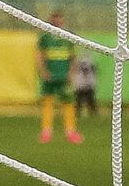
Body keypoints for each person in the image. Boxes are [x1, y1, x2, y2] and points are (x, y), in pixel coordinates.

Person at [35, 10, 83, 144]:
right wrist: (43, 71)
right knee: (48, 102)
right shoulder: (45, 37)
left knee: (68, 103)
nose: (58, 21)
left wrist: (71, 72)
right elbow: (39, 54)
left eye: (60, 19)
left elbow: (73, 56)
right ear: (52, 20)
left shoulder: (68, 36)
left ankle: (70, 131)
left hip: (64, 76)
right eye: (56, 19)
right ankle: (46, 132)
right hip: (50, 75)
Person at [69, 36, 100, 131]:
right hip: (83, 82)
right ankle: (82, 113)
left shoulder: (85, 61)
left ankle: (91, 113)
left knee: (88, 100)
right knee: (81, 100)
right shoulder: (83, 61)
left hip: (84, 82)